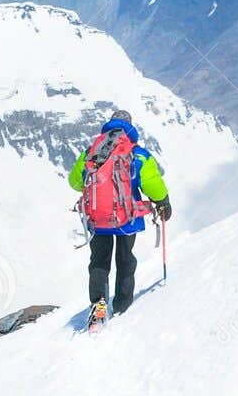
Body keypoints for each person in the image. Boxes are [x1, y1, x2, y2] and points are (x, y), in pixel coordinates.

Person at [69, 110, 171, 326]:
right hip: (127, 219)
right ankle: (122, 306)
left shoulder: (91, 152)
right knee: (125, 259)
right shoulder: (138, 154)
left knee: (99, 261)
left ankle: (98, 306)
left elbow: (75, 182)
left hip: (97, 219)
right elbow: (151, 183)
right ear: (130, 127)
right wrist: (163, 201)